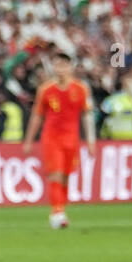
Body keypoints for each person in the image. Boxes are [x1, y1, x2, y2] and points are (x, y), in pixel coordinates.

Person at [22, 52, 96, 229]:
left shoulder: (80, 89)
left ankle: (60, 209)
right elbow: (37, 116)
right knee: (55, 174)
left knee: (65, 176)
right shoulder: (46, 90)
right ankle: (57, 213)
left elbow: (86, 115)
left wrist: (91, 140)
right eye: (57, 65)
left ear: (70, 67)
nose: (60, 69)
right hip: (51, 138)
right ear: (53, 68)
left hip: (72, 139)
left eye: (64, 65)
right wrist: (29, 140)